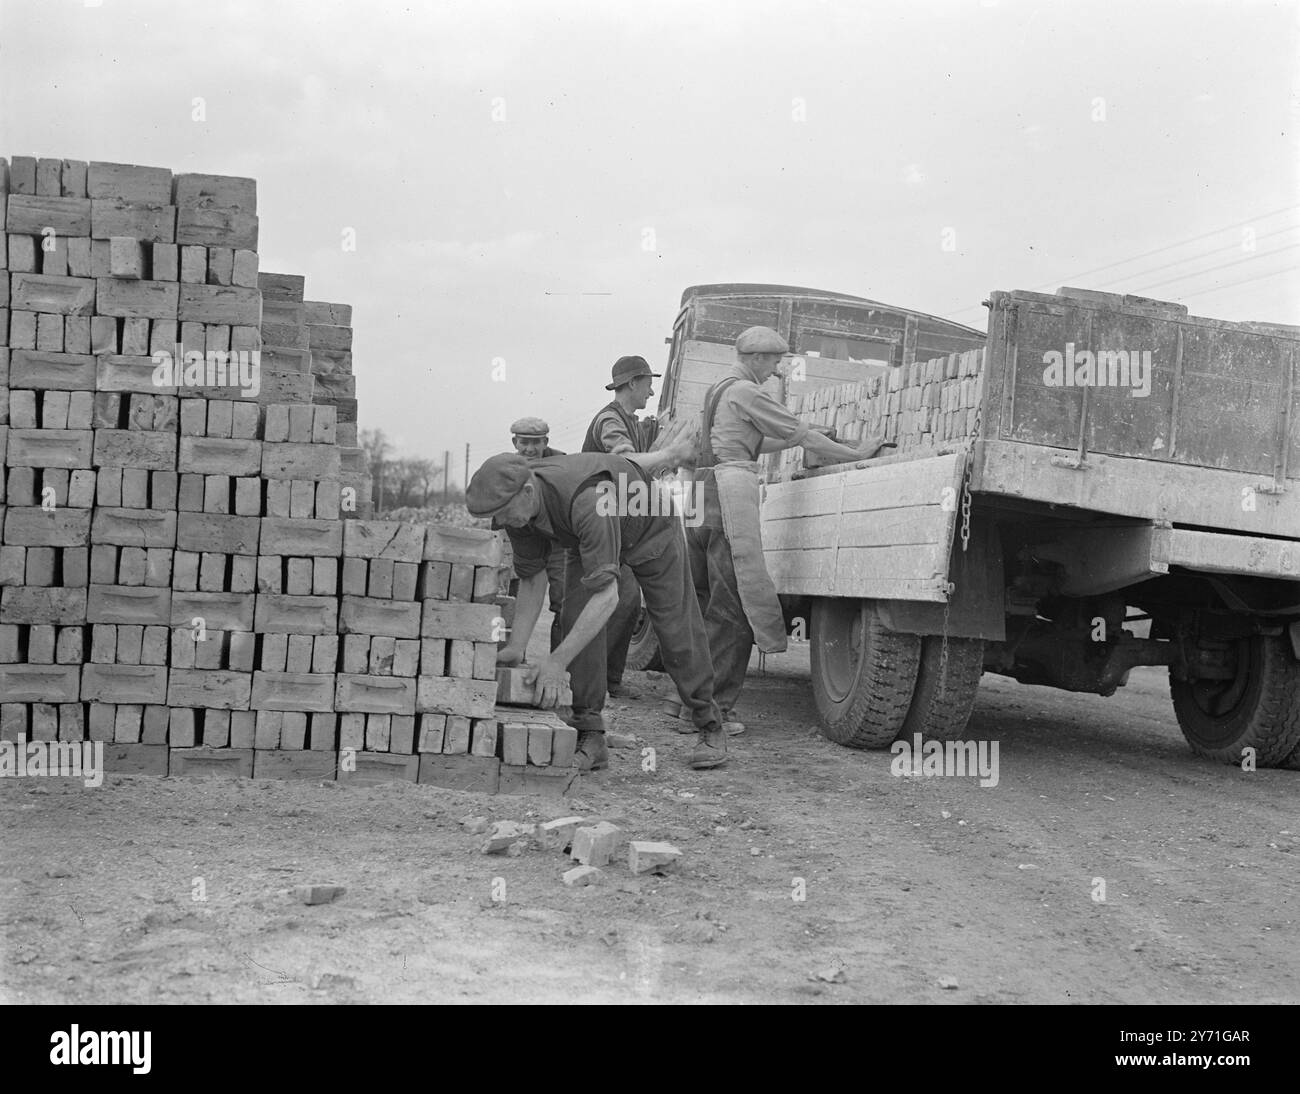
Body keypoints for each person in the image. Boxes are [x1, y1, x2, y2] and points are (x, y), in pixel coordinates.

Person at [467, 448, 729, 772]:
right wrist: (516, 647)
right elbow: (533, 578)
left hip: (649, 525)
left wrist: (556, 661)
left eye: (503, 513)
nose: (502, 523)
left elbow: (607, 599)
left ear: (528, 492)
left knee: (675, 627)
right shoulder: (519, 508)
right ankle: (590, 735)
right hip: (585, 535)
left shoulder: (585, 498)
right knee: (575, 618)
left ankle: (710, 725)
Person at [688, 325, 888, 735]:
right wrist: (853, 452)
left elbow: (754, 442)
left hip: (702, 493)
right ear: (758, 358)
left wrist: (806, 439)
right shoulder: (748, 392)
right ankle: (711, 715)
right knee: (735, 607)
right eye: (775, 361)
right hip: (728, 492)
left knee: (710, 605)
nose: (777, 369)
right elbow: (797, 432)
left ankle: (685, 703)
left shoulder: (720, 389)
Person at [580, 355, 663, 700]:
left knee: (627, 600)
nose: (652, 390)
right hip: (598, 519)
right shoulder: (610, 422)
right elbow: (628, 460)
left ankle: (609, 681)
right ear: (632, 384)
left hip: (618, 519)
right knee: (621, 597)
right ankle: (595, 682)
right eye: (647, 383)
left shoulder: (630, 420)